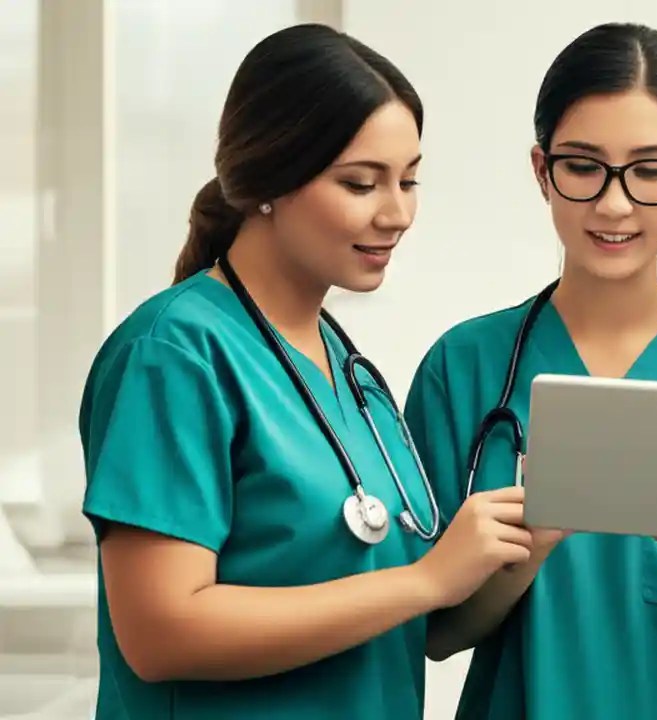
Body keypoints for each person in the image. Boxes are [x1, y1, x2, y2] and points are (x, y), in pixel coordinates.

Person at [77, 24, 532, 720]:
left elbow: (410, 618)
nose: (398, 213)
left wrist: (518, 546)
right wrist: (424, 581)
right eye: (361, 183)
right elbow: (161, 632)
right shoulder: (174, 354)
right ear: (270, 179)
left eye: (409, 179)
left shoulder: (351, 373)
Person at [404, 22, 657, 720]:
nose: (614, 204)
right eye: (583, 167)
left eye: (649, 170)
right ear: (540, 169)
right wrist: (531, 546)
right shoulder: (464, 367)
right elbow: (434, 631)